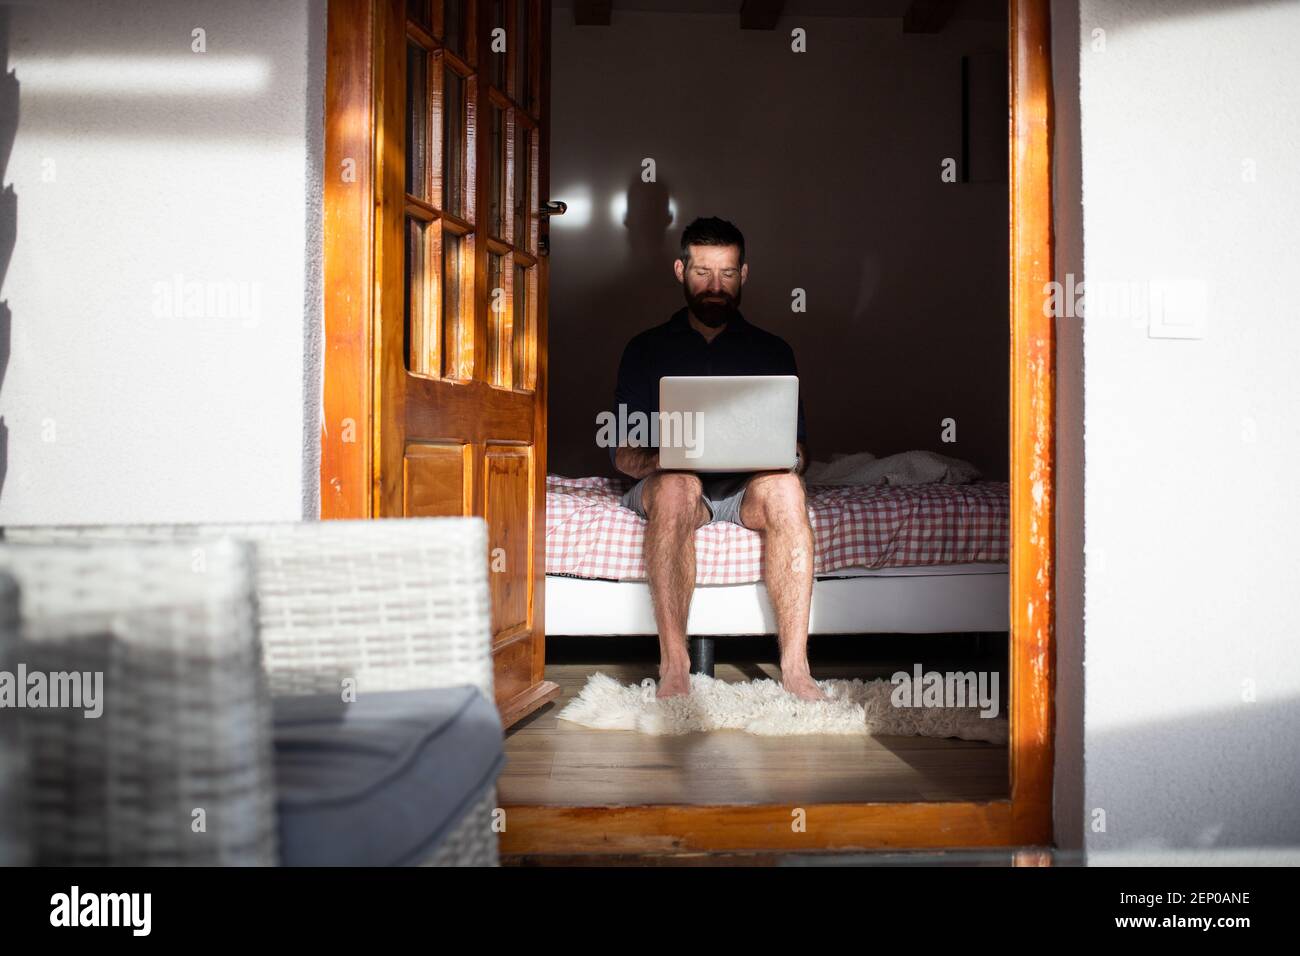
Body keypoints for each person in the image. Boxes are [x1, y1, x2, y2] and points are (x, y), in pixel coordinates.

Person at [609, 216, 825, 701]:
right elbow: (622, 454)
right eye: (703, 272)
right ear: (680, 270)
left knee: (789, 488)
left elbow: (801, 451)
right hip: (677, 484)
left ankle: (795, 668)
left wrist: (786, 454)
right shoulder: (644, 349)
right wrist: (676, 453)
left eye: (727, 274)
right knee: (677, 484)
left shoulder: (773, 350)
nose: (715, 286)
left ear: (743, 275)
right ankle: (675, 666)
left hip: (745, 489)